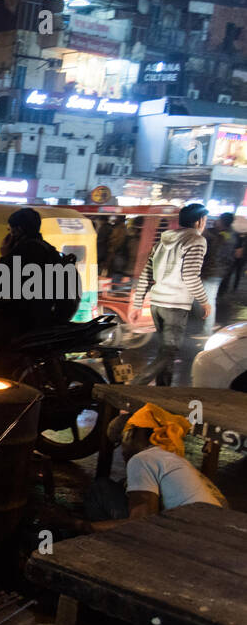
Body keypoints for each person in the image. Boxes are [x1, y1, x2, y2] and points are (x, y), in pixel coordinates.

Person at [72, 405, 225, 532]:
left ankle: (109, 546)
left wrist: (80, 525)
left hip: (189, 536)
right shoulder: (171, 458)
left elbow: (142, 523)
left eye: (121, 441)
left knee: (101, 488)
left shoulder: (143, 459)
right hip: (214, 528)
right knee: (123, 485)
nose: (121, 451)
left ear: (132, 434)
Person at [128, 203, 210, 387]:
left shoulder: (162, 242)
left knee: (165, 352)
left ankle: (163, 391)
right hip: (175, 305)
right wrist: (205, 301)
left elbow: (146, 274)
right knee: (169, 352)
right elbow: (190, 275)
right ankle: (135, 385)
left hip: (157, 303)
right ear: (199, 221)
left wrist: (137, 304)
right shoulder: (196, 241)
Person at [0, 207, 79, 343]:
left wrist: (4, 256)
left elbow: (0, 287)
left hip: (18, 320)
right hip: (44, 319)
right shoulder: (50, 251)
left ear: (18, 230)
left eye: (10, 230)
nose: (8, 235)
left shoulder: (23, 251)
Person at [203, 211, 236, 324]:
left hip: (212, 273)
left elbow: (213, 256)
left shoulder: (223, 237)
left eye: (218, 220)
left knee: (208, 301)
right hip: (217, 273)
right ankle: (204, 327)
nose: (216, 221)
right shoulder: (228, 235)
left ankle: (206, 330)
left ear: (222, 222)